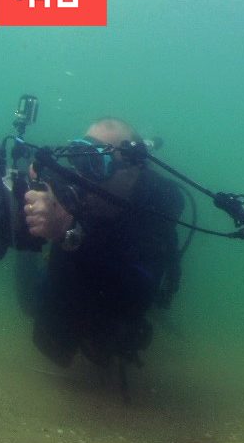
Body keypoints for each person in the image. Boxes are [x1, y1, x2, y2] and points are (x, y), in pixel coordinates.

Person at [18, 118, 184, 369]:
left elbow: (140, 285)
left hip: (119, 299)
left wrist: (68, 230)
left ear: (131, 171)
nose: (81, 175)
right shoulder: (76, 187)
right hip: (67, 285)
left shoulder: (157, 204)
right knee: (34, 305)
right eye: (77, 157)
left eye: (94, 163)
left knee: (109, 340)